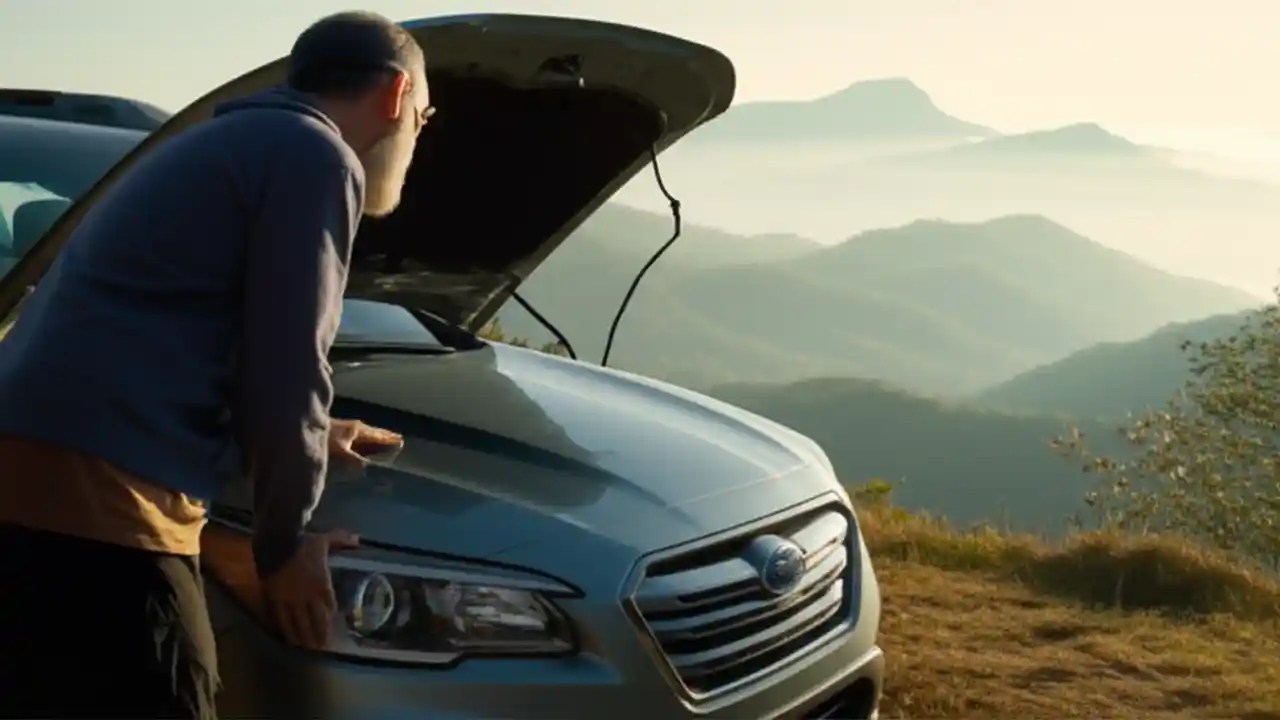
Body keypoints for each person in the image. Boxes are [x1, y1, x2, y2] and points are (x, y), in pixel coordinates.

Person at [0, 11, 432, 720]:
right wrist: (284, 547)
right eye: (425, 113)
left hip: (36, 480)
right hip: (99, 507)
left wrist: (313, 436)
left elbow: (186, 341)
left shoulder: (234, 140)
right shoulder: (315, 154)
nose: (420, 131)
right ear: (395, 97)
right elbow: (288, 360)